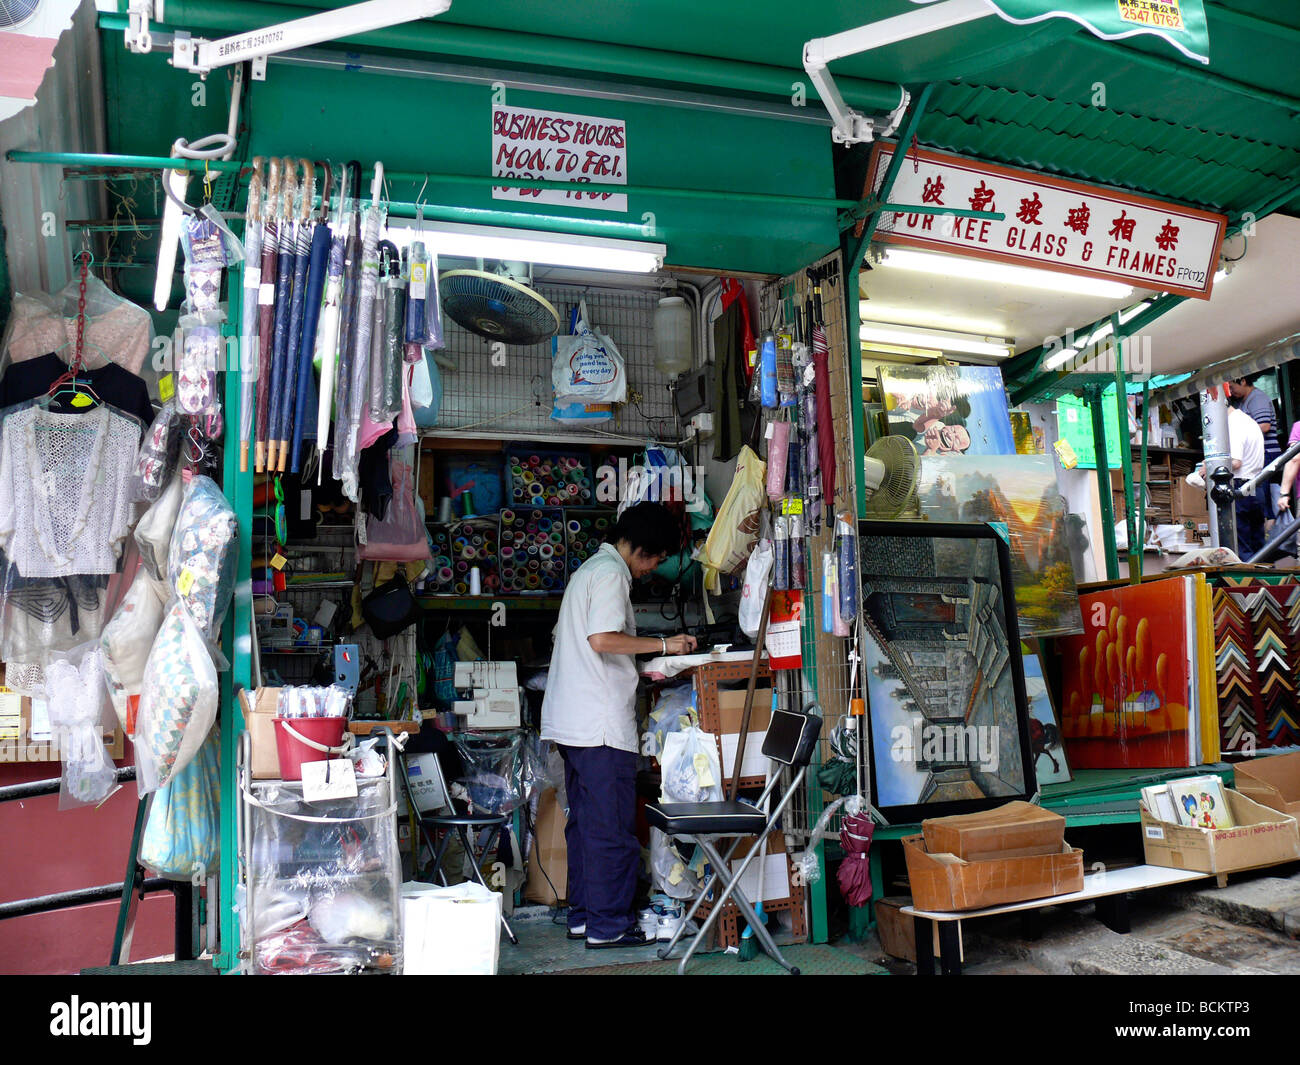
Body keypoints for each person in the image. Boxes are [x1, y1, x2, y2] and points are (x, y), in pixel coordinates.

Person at [540, 501, 697, 949]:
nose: (654, 568)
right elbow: (603, 639)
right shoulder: (611, 574)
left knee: (587, 825)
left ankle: (585, 916)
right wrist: (665, 642)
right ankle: (609, 927)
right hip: (599, 727)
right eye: (657, 558)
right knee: (610, 829)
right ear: (643, 548)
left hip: (574, 724)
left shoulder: (589, 570)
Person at [1189, 404, 1266, 557]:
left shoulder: (1232, 424)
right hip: (1256, 485)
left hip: (1238, 485)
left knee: (1240, 547)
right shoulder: (1248, 421)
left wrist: (1208, 467)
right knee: (1258, 546)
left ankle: (1244, 580)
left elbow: (1236, 461)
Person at [1229, 375, 1281, 515]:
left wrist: (1244, 431)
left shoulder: (1257, 398)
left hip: (1266, 453)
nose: (1231, 391)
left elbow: (1265, 426)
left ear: (1243, 381)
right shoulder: (1243, 402)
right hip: (1259, 454)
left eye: (1232, 387)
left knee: (1263, 498)